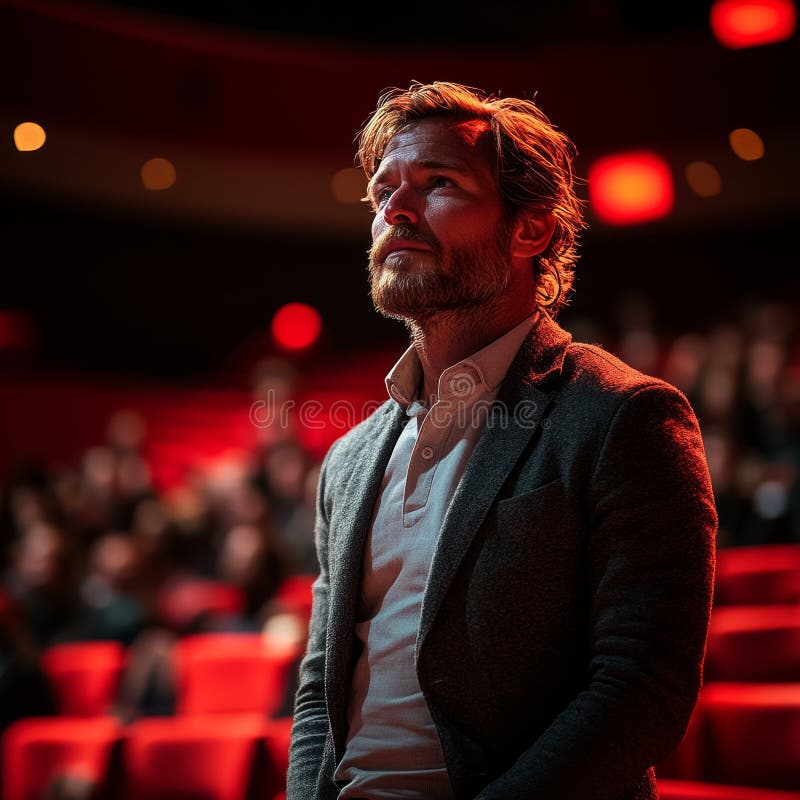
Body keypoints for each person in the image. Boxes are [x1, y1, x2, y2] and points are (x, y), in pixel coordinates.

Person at [287, 81, 717, 800]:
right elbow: (316, 695)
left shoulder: (626, 417)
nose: (395, 209)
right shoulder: (348, 459)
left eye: (439, 183)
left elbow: (642, 688)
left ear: (531, 230)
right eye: (384, 190)